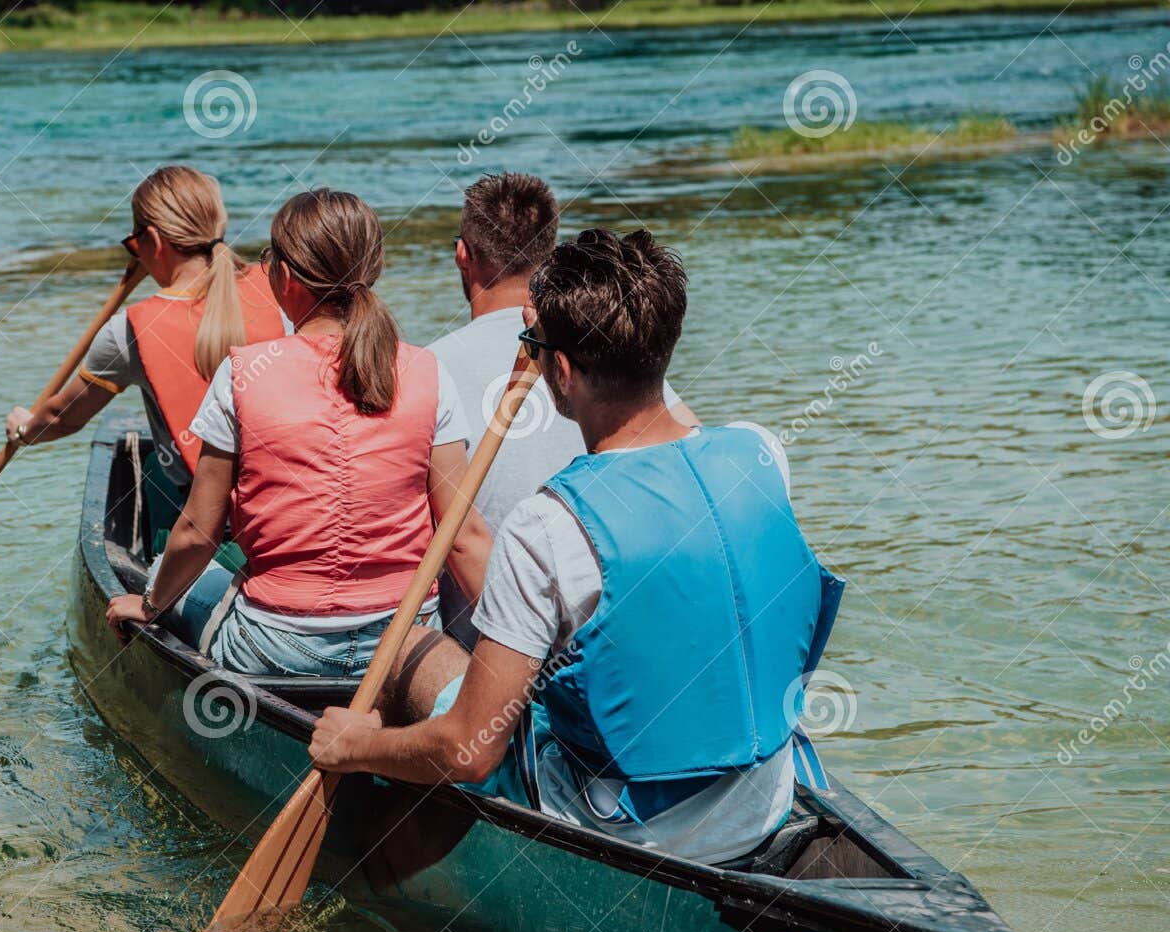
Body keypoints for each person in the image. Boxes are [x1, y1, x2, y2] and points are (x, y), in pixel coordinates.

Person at [307, 229, 839, 865]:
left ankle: (386, 859)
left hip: (639, 826)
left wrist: (353, 746)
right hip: (767, 798)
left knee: (417, 651)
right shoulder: (761, 453)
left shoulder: (546, 526)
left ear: (557, 370)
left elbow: (469, 752)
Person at [105, 189, 492, 677]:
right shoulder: (426, 370)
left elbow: (199, 532)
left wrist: (150, 605)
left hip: (276, 645)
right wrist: (516, 654)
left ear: (284, 277)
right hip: (402, 643)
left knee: (164, 568)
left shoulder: (241, 373)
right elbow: (464, 539)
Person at [429, 173, 700, 647]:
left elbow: (463, 540)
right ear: (550, 257)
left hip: (503, 651)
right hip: (616, 624)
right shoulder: (607, 346)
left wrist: (536, 652)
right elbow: (688, 445)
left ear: (462, 255)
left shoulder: (426, 366)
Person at [4, 166, 286, 489]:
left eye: (134, 245)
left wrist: (24, 429)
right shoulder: (278, 286)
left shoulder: (128, 331)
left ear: (152, 240)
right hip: (284, 498)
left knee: (156, 475)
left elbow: (63, 417)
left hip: (205, 520)